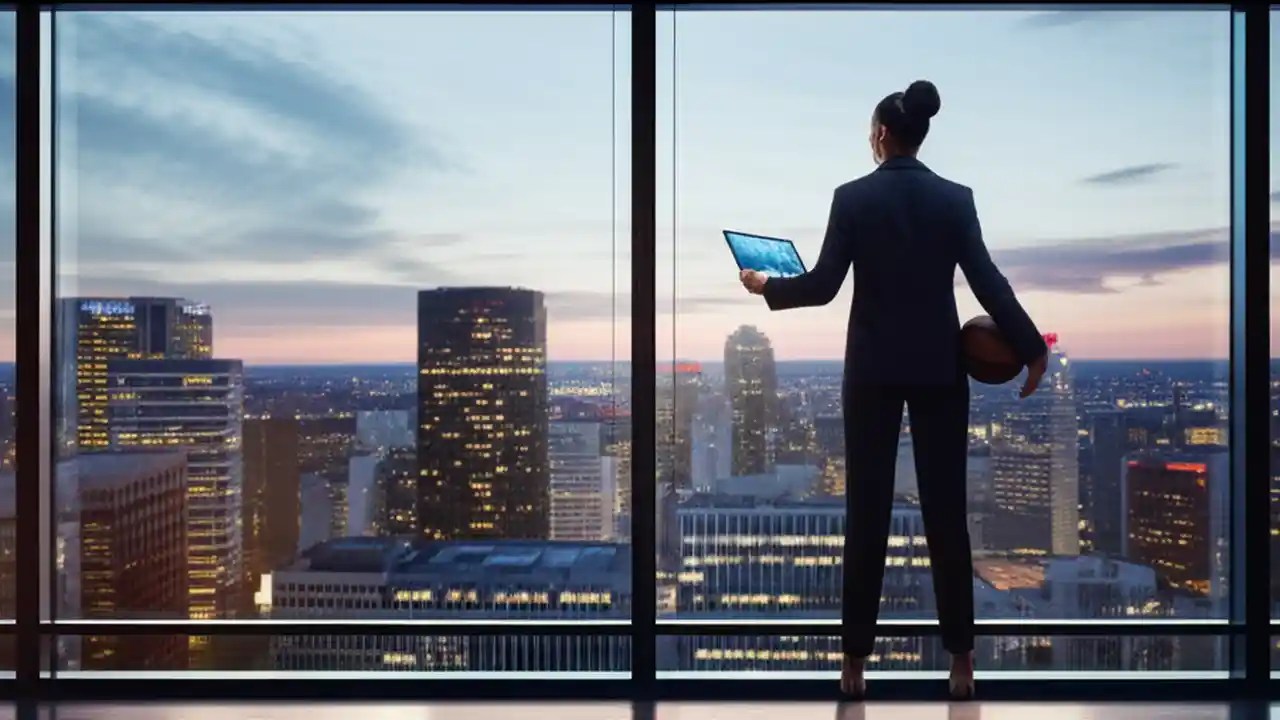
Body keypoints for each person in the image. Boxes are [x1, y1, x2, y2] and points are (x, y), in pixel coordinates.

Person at [739, 80, 1048, 701]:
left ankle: (854, 667)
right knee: (947, 520)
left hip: (873, 373)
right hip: (939, 369)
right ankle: (962, 667)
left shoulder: (852, 198)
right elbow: (988, 281)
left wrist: (764, 285)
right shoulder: (954, 200)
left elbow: (824, 285)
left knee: (868, 518)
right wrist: (1032, 347)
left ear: (881, 135)